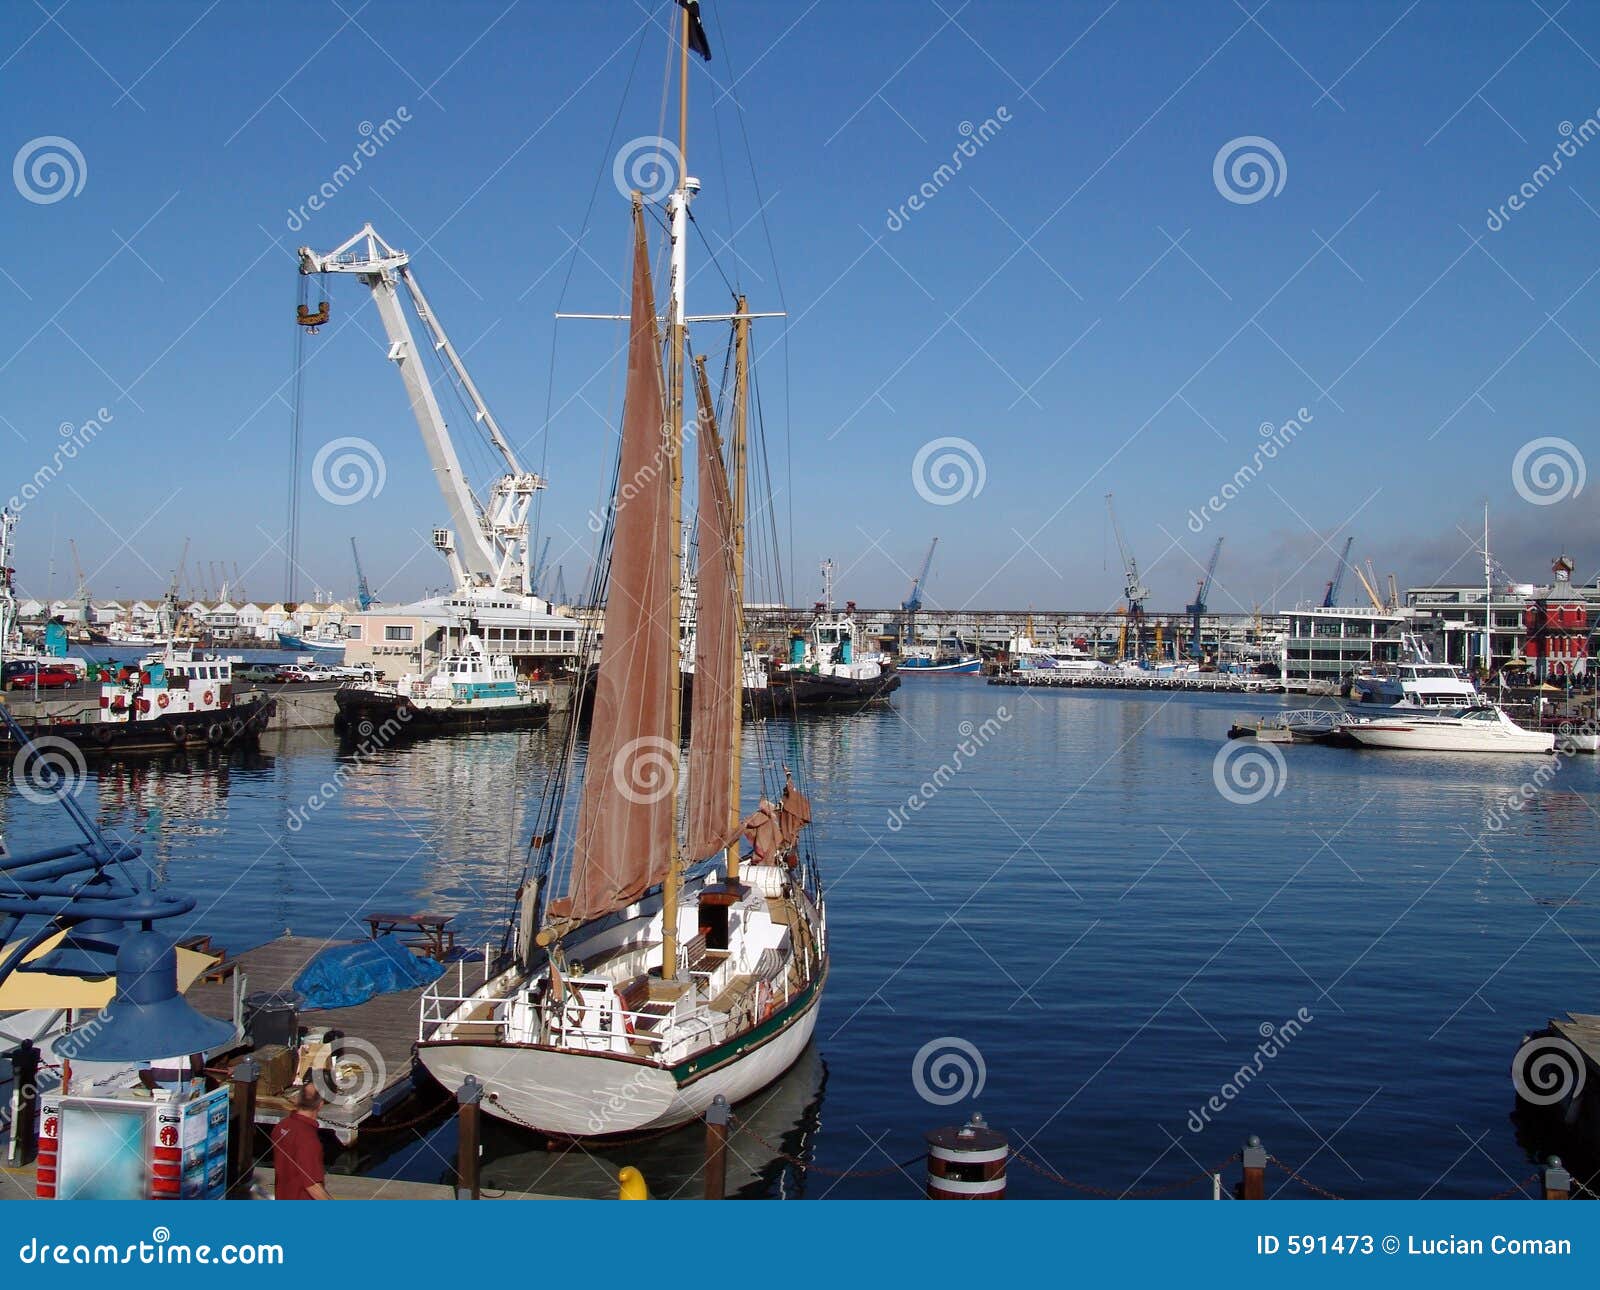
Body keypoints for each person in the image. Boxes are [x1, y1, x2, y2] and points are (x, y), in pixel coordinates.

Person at [270, 1081, 331, 1199]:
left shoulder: (280, 1127)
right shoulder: (309, 1140)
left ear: (297, 1100)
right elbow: (312, 1185)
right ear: (320, 1105)